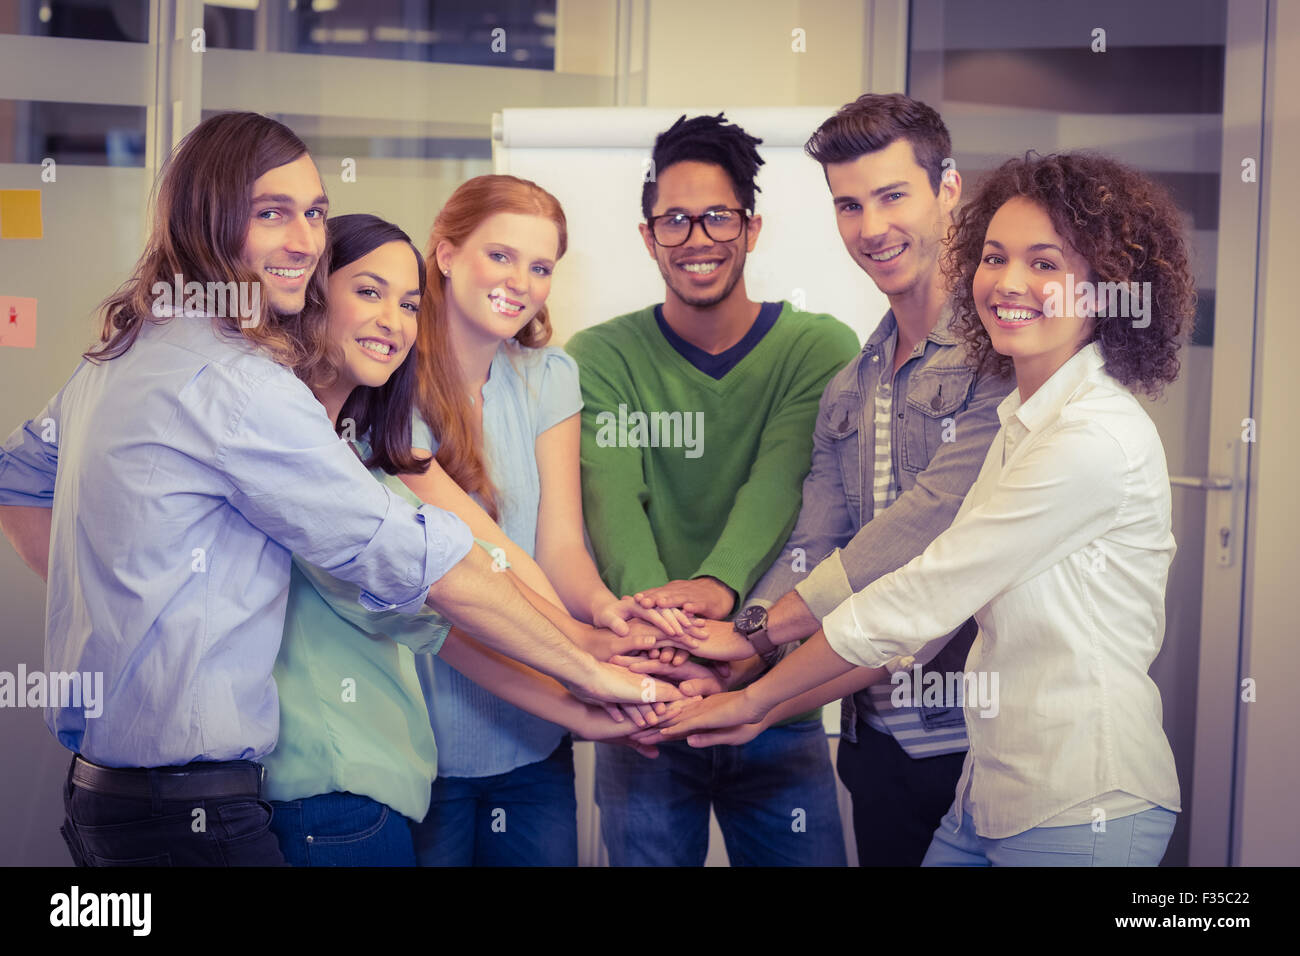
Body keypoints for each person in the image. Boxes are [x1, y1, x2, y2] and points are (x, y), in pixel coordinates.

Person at [0, 112, 673, 867]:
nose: (302, 239)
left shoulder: (127, 354)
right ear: (208, 218)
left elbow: (20, 476)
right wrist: (589, 671)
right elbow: (435, 579)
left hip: (117, 799)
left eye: (315, 212)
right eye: (272, 212)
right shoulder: (248, 394)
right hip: (227, 806)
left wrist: (123, 592)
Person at [660, 150, 1195, 867]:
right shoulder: (1020, 422)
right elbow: (911, 626)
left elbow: (918, 595)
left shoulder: (1091, 438)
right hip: (990, 796)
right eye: (995, 257)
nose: (1008, 283)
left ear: (1105, 291)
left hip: (1079, 806)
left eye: (1045, 265)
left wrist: (752, 684)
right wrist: (757, 703)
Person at [642, 93, 1016, 866]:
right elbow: (815, 541)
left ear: (948, 189)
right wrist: (736, 640)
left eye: (891, 196)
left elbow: (925, 527)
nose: (871, 228)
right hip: (875, 741)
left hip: (983, 738)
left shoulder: (1005, 362)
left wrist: (758, 647)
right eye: (849, 205)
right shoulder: (850, 385)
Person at [261, 213, 671, 866]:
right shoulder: (289, 440)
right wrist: (588, 663)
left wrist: (585, 705)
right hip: (321, 794)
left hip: (382, 784)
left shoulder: (363, 453)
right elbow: (461, 585)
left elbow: (443, 623)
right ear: (312, 293)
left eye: (406, 304)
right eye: (367, 292)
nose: (393, 322)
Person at [565, 113, 860, 866]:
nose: (697, 238)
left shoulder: (816, 347)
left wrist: (723, 601)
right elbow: (611, 504)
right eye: (675, 220)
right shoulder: (598, 356)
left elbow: (783, 492)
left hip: (776, 695)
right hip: (649, 699)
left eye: (718, 216)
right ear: (648, 235)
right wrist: (675, 653)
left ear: (751, 228)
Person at [400, 174, 694, 867]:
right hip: (420, 740)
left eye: (540, 266)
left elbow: (558, 542)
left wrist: (602, 613)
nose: (521, 281)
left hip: (533, 739)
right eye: (500, 256)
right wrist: (582, 650)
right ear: (444, 253)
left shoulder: (548, 376)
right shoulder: (386, 386)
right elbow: (470, 569)